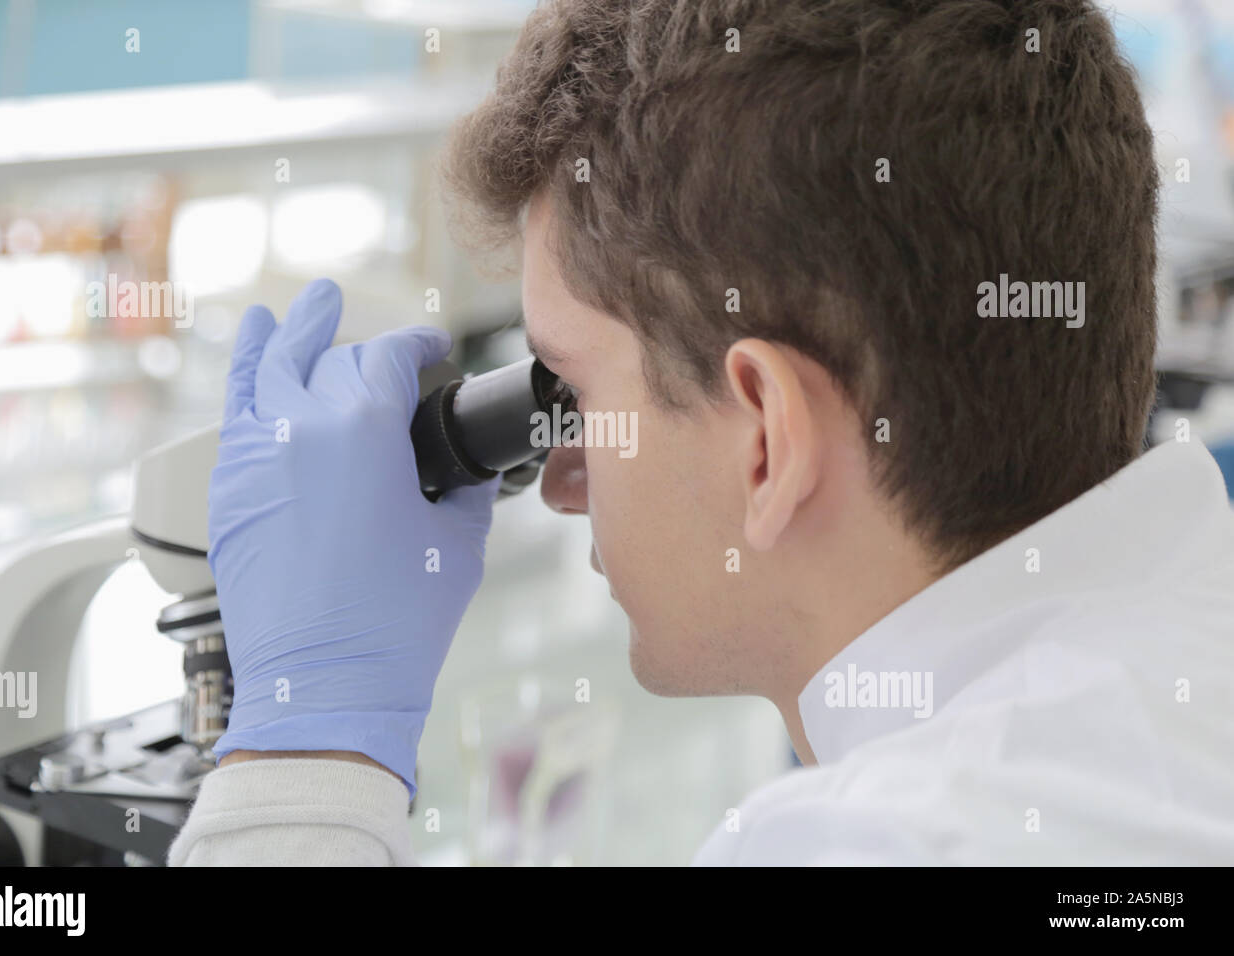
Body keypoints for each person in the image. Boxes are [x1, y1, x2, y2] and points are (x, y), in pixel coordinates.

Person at [168, 0, 1234, 866]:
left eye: (572, 389)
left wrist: (299, 757)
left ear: (766, 437)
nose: (560, 482)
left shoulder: (877, 844)